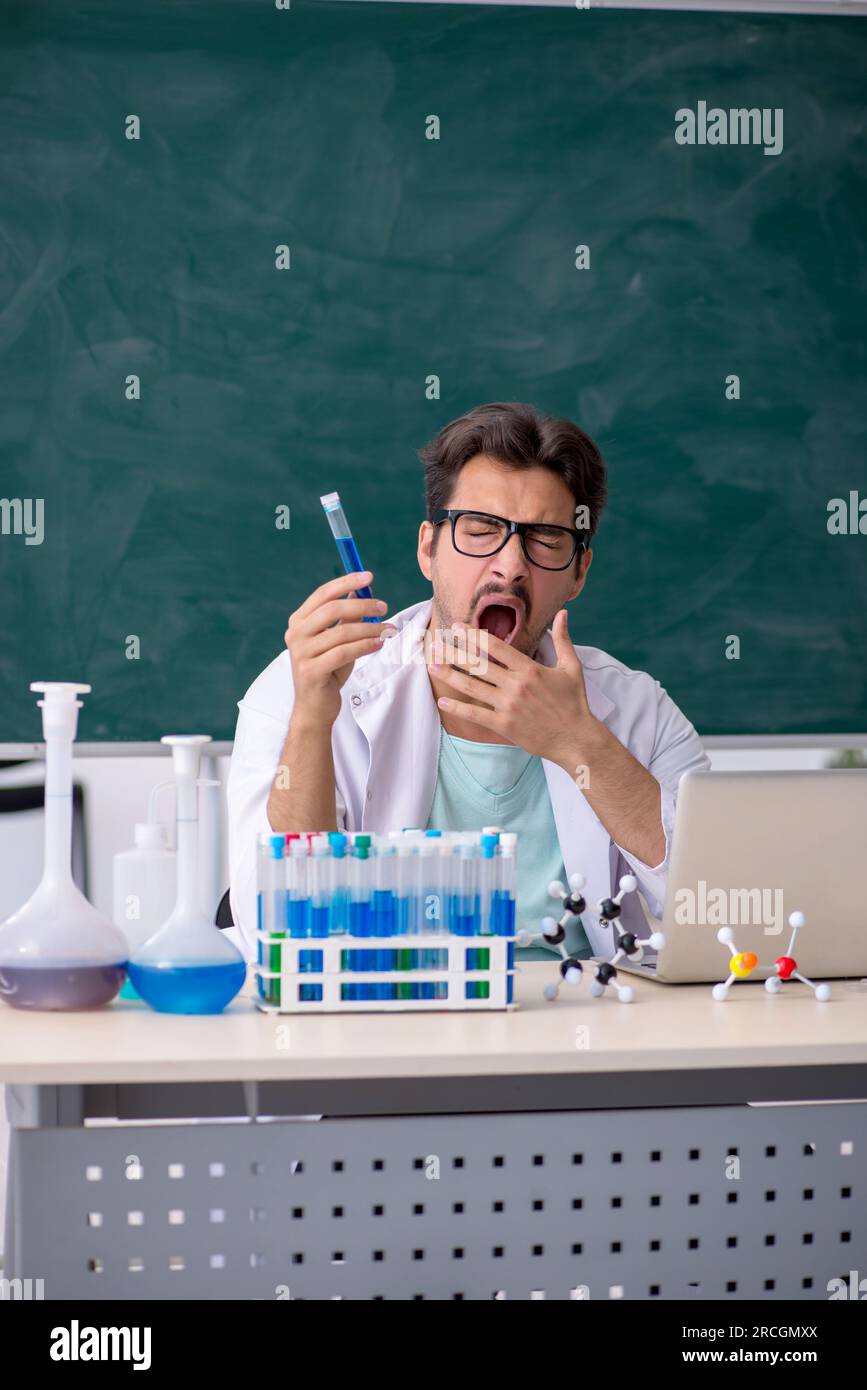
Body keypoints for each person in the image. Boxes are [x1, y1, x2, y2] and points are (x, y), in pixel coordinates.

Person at [226, 401, 710, 961]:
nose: (510, 565)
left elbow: (726, 910)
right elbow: (277, 935)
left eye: (546, 539)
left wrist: (578, 741)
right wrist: (311, 719)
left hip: (583, 1028)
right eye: (480, 531)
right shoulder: (305, 687)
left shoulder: (637, 709)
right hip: (385, 1021)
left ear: (578, 573)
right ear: (428, 549)